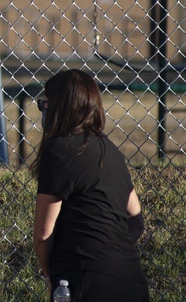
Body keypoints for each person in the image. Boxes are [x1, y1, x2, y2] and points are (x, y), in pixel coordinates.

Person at [32, 70, 149, 301]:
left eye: (46, 104)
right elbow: (136, 222)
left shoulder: (59, 150)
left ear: (61, 107)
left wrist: (49, 275)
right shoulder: (111, 152)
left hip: (84, 280)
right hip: (132, 281)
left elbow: (43, 234)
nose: (44, 110)